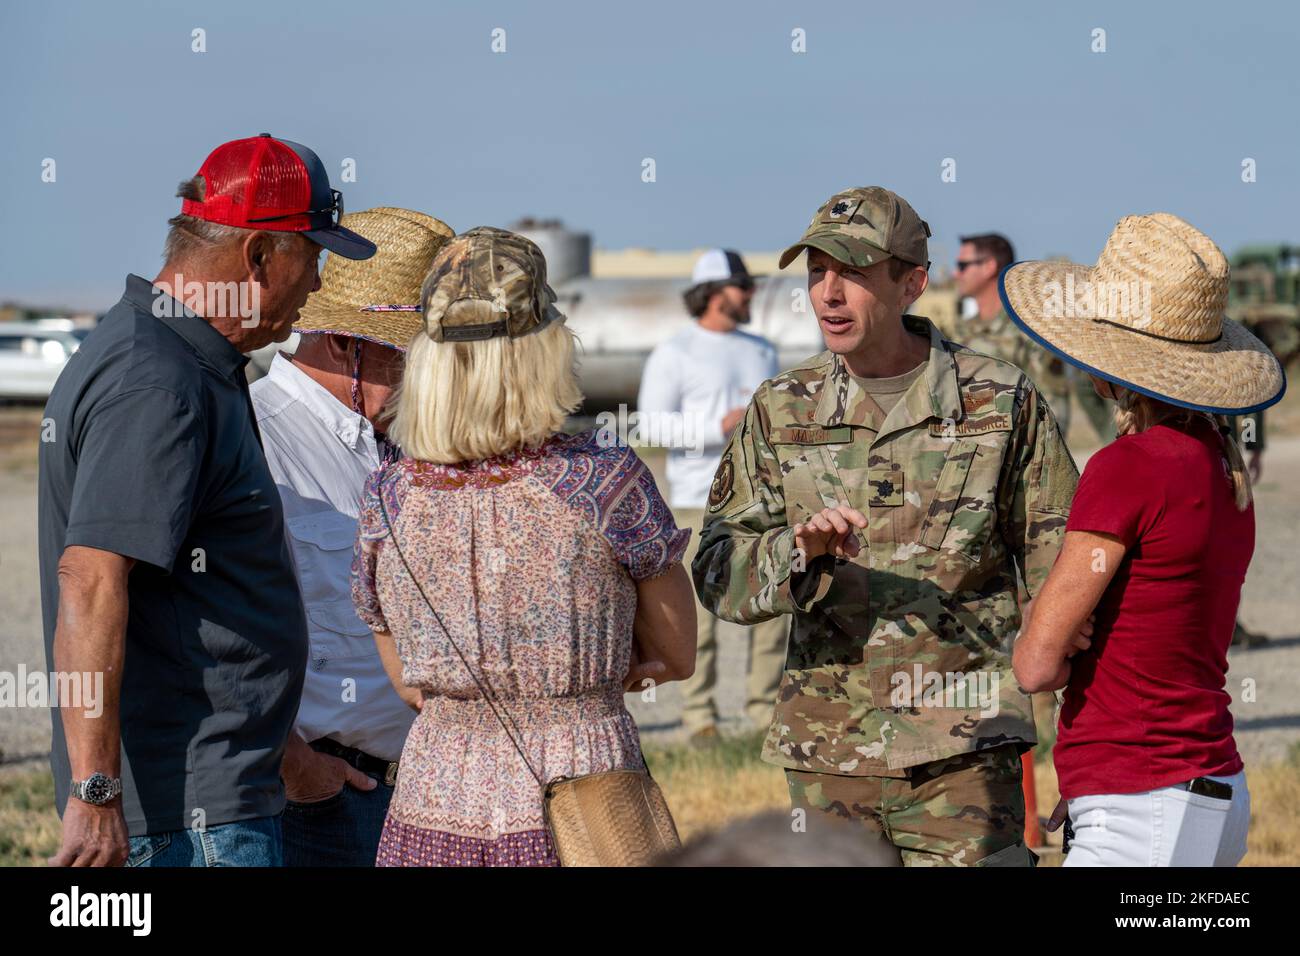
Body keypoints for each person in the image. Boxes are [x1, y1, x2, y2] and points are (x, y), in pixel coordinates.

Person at [693, 186, 1080, 866]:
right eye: (817, 273)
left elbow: (1067, 574)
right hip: (829, 757)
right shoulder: (783, 408)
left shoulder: (998, 400)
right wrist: (797, 554)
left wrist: (1085, 754)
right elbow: (717, 568)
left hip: (964, 752)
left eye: (853, 272)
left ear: (912, 283)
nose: (828, 295)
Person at [38, 134, 375, 867]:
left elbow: (203, 608)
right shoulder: (159, 380)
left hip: (213, 800)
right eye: (311, 259)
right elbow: (90, 578)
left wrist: (286, 755)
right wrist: (97, 794)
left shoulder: (183, 361)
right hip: (188, 821)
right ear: (257, 257)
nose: (315, 287)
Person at [351, 226, 697, 866]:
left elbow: (404, 677)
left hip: (435, 794)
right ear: (544, 353)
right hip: (584, 797)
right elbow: (675, 654)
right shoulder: (604, 481)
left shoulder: (388, 496)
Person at [1009, 213, 1286, 867]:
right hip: (1212, 784)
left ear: (1106, 367)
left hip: (1141, 799)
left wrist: (1041, 621)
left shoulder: (1127, 467)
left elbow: (1035, 666)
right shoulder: (1224, 468)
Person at [251, 207, 453, 866]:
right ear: (347, 344)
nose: (434, 387)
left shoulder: (401, 446)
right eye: (417, 362)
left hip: (416, 789)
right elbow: (212, 632)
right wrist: (296, 766)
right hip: (320, 803)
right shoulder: (254, 438)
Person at [637, 249, 786, 743]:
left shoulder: (763, 350)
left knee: (769, 608)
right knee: (701, 613)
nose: (751, 294)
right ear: (717, 292)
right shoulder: (675, 352)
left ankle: (765, 713)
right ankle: (700, 719)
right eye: (743, 287)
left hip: (761, 500)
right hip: (696, 499)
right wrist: (715, 428)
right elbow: (650, 424)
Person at [948, 233, 1075, 441]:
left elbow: (1054, 413)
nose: (955, 274)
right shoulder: (962, 331)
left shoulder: (1028, 331)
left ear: (989, 266)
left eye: (963, 265)